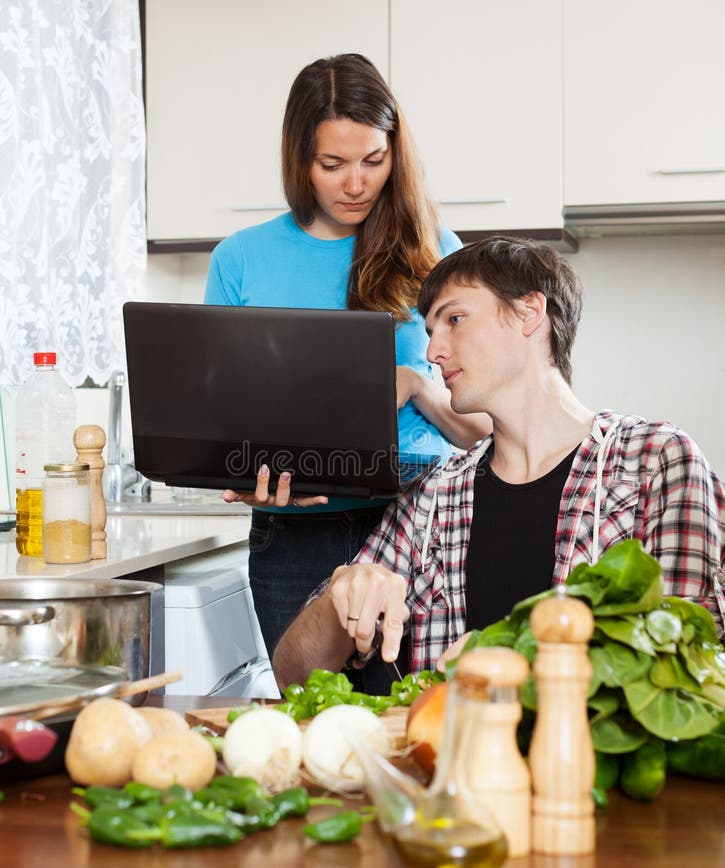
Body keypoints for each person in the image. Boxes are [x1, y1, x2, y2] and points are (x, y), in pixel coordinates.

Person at [272, 235, 725, 688]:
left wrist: (514, 655)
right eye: (430, 332)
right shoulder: (435, 492)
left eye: (454, 319)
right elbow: (290, 674)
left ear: (529, 313)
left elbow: (688, 656)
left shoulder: (656, 460)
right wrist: (341, 597)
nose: (433, 352)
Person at [203, 54, 490, 686]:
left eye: (373, 160)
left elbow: (484, 430)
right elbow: (224, 423)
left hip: (422, 517)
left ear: (396, 151)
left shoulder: (436, 250)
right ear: (299, 161)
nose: (355, 184)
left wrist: (417, 387)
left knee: (425, 713)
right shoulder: (240, 261)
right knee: (314, 722)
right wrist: (246, 476)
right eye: (332, 165)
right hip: (294, 534)